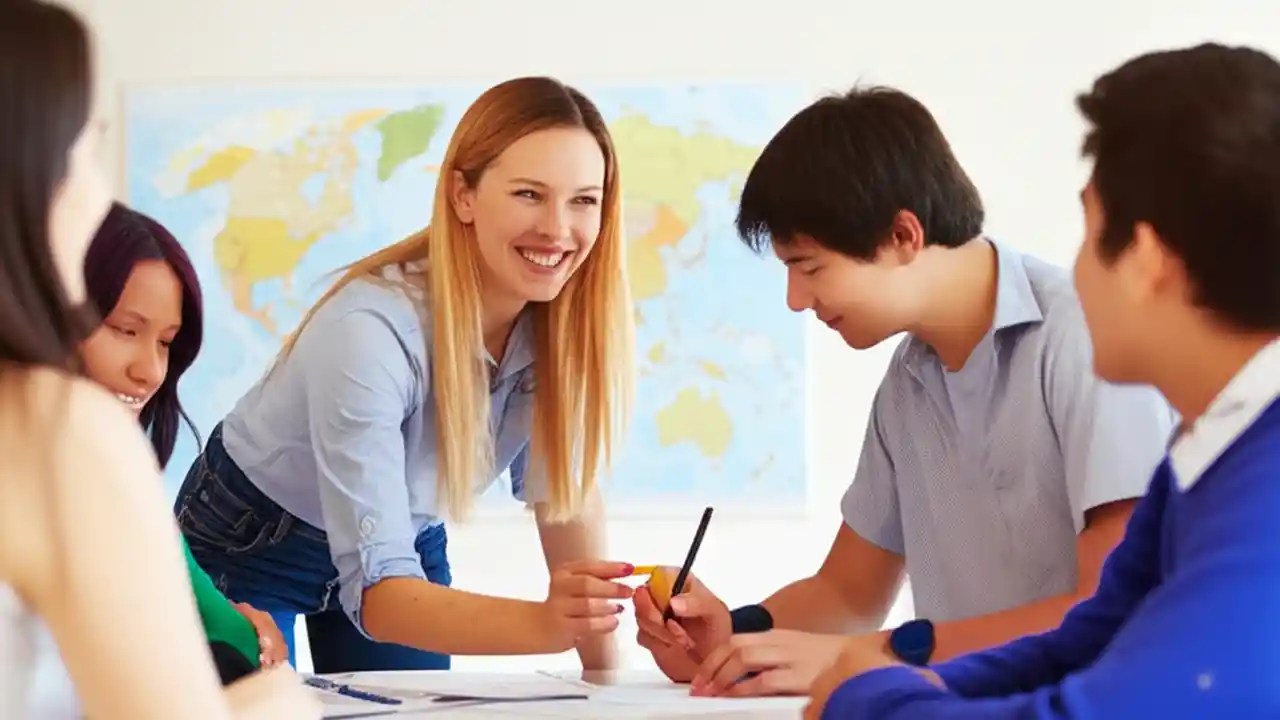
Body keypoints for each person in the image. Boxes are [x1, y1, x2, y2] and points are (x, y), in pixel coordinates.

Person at [635, 84, 1178, 696]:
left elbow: (1111, 608)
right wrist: (727, 640)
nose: (796, 300)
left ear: (903, 236)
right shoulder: (909, 381)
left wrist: (875, 655)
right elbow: (846, 594)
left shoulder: (1082, 340)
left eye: (809, 267)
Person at [805, 41, 1280, 720]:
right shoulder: (1206, 456)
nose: (1074, 270)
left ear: (1146, 259)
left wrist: (871, 695)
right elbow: (1089, 639)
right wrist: (899, 677)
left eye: (1089, 233)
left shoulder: (1265, 486)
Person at [175, 75, 637, 674]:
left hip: (400, 536)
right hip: (253, 536)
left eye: (583, 199)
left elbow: (564, 500)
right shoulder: (368, 331)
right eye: (529, 194)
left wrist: (604, 675)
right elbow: (382, 598)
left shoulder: (560, 326)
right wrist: (548, 626)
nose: (558, 229)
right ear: (462, 196)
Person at [0, 2, 317, 718]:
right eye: (87, 149)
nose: (149, 369)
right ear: (34, 175)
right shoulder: (53, 433)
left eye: (167, 343)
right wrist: (278, 701)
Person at [80, 202, 289, 683]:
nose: (151, 371)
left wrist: (242, 633)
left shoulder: (121, 479)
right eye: (126, 331)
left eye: (165, 342)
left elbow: (225, 629)